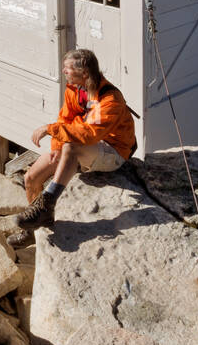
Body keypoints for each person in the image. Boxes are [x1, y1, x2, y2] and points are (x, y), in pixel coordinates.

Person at [15, 48, 137, 229]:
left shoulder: (111, 99)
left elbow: (89, 134)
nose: (64, 71)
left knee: (72, 147)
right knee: (31, 178)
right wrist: (57, 148)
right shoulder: (75, 89)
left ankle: (47, 203)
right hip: (83, 146)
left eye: (67, 68)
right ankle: (38, 224)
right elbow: (65, 118)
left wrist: (50, 130)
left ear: (84, 73)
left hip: (113, 151)